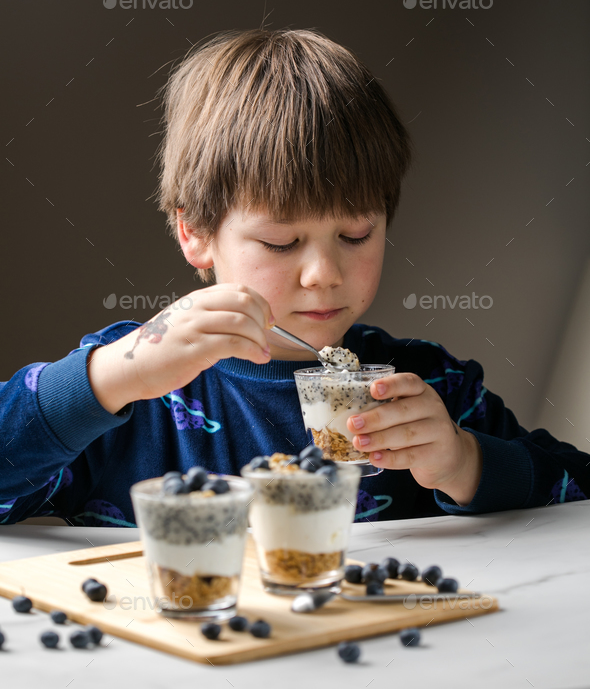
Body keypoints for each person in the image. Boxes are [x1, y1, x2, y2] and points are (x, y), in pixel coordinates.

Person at [1, 28, 588, 527]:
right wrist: (106, 379)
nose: (324, 274)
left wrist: (465, 463)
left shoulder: (431, 388)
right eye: (281, 242)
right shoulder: (132, 389)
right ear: (195, 233)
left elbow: (577, 491)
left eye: (355, 235)